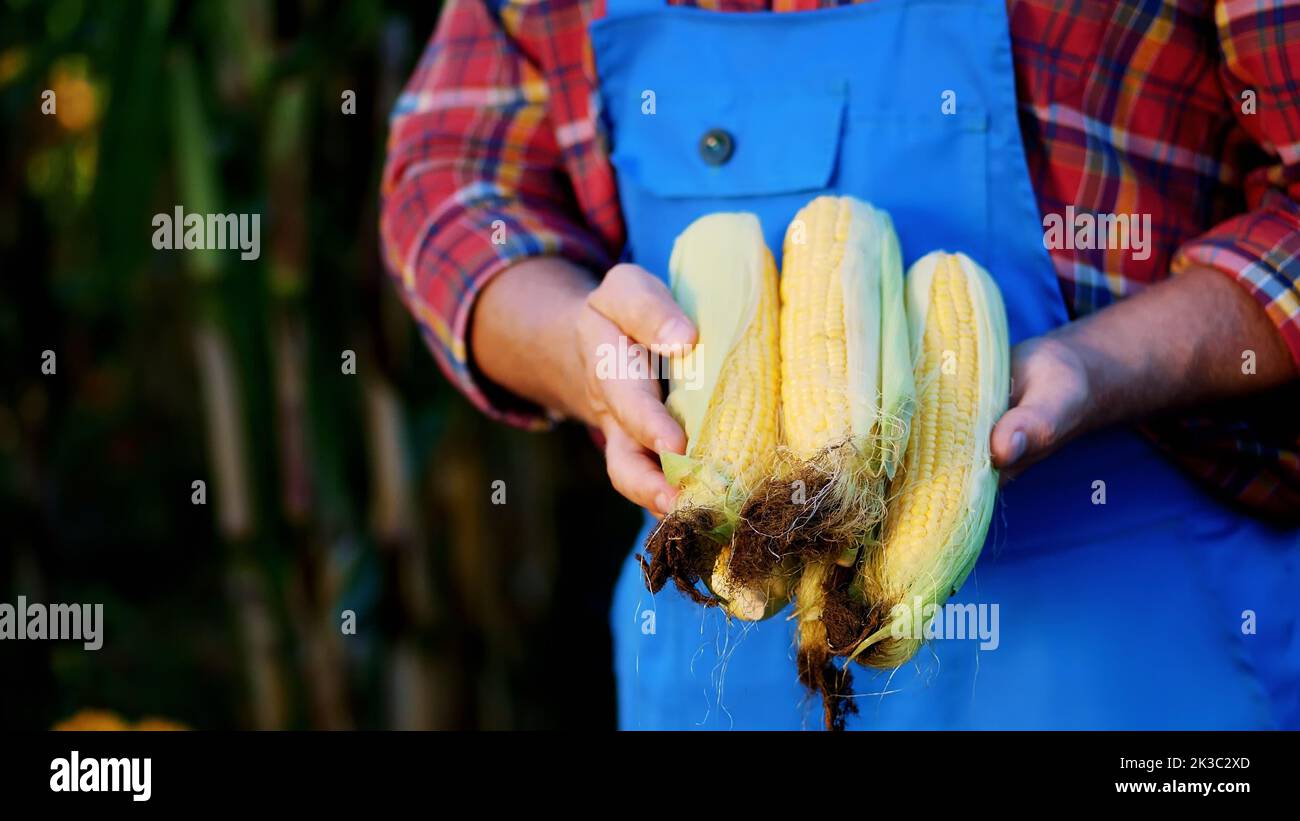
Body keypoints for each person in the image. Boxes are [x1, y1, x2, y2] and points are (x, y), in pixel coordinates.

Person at [380, 0, 1300, 729]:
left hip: (1134, 645)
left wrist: (1101, 366)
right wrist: (581, 356)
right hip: (720, 629)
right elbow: (450, 184)